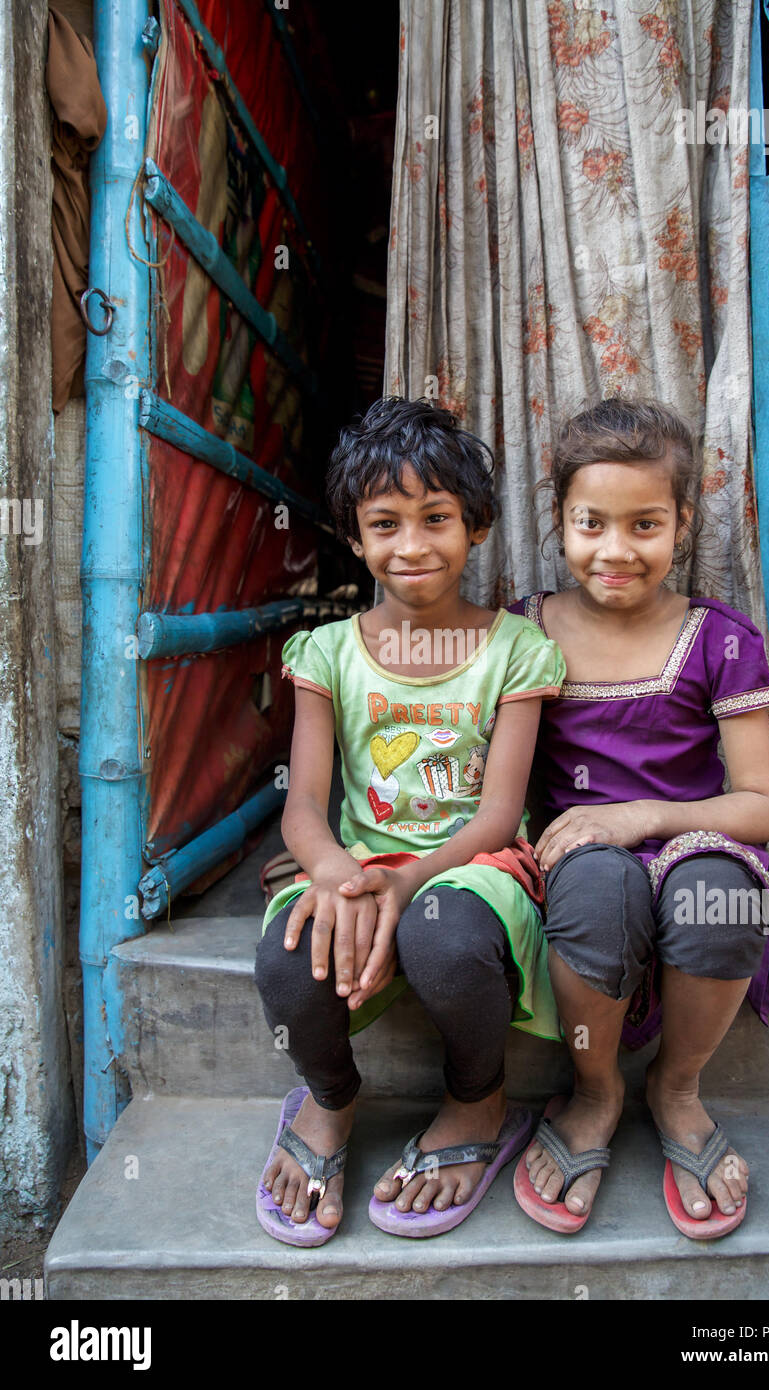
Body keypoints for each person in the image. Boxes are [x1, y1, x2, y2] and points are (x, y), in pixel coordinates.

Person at [254, 397, 565, 1244]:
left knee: (444, 937)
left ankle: (476, 1102)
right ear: (355, 539)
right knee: (287, 964)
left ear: (478, 528)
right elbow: (307, 807)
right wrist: (340, 876)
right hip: (358, 859)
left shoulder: (517, 651)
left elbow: (501, 813)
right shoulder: (326, 653)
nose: (413, 545)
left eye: (437, 518)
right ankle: (329, 1102)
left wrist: (406, 880)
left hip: (475, 864)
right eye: (385, 524)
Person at [509, 398, 769, 1239]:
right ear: (558, 520)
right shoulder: (524, 633)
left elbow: (765, 806)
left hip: (697, 839)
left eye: (645, 524)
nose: (617, 550)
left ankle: (677, 1088)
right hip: (584, 865)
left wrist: (641, 815)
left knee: (723, 893)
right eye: (592, 523)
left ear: (683, 523)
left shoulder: (720, 639)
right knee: (597, 887)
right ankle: (596, 1091)